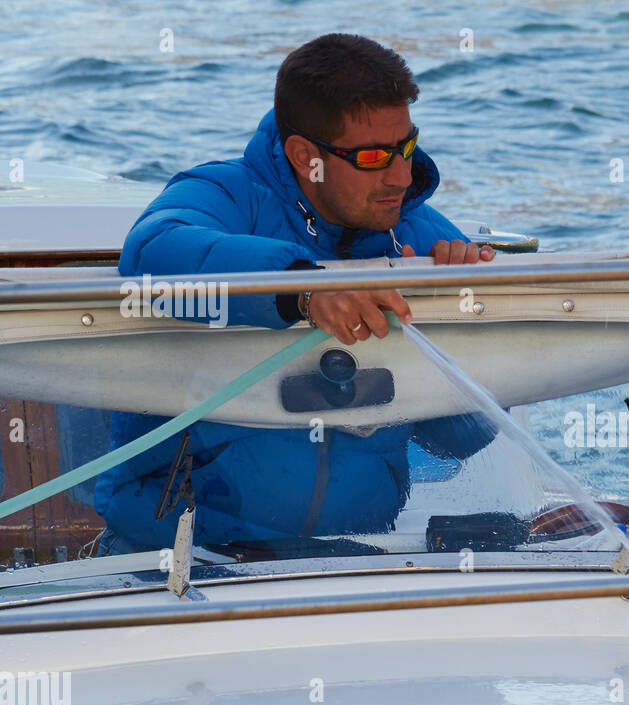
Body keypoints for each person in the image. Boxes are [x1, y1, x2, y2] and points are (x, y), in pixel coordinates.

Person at [96, 33, 499, 556]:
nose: (402, 175)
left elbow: (462, 440)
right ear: (305, 156)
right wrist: (302, 287)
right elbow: (151, 253)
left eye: (406, 147)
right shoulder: (223, 194)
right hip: (177, 563)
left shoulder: (420, 236)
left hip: (353, 560)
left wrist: (465, 314)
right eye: (376, 156)